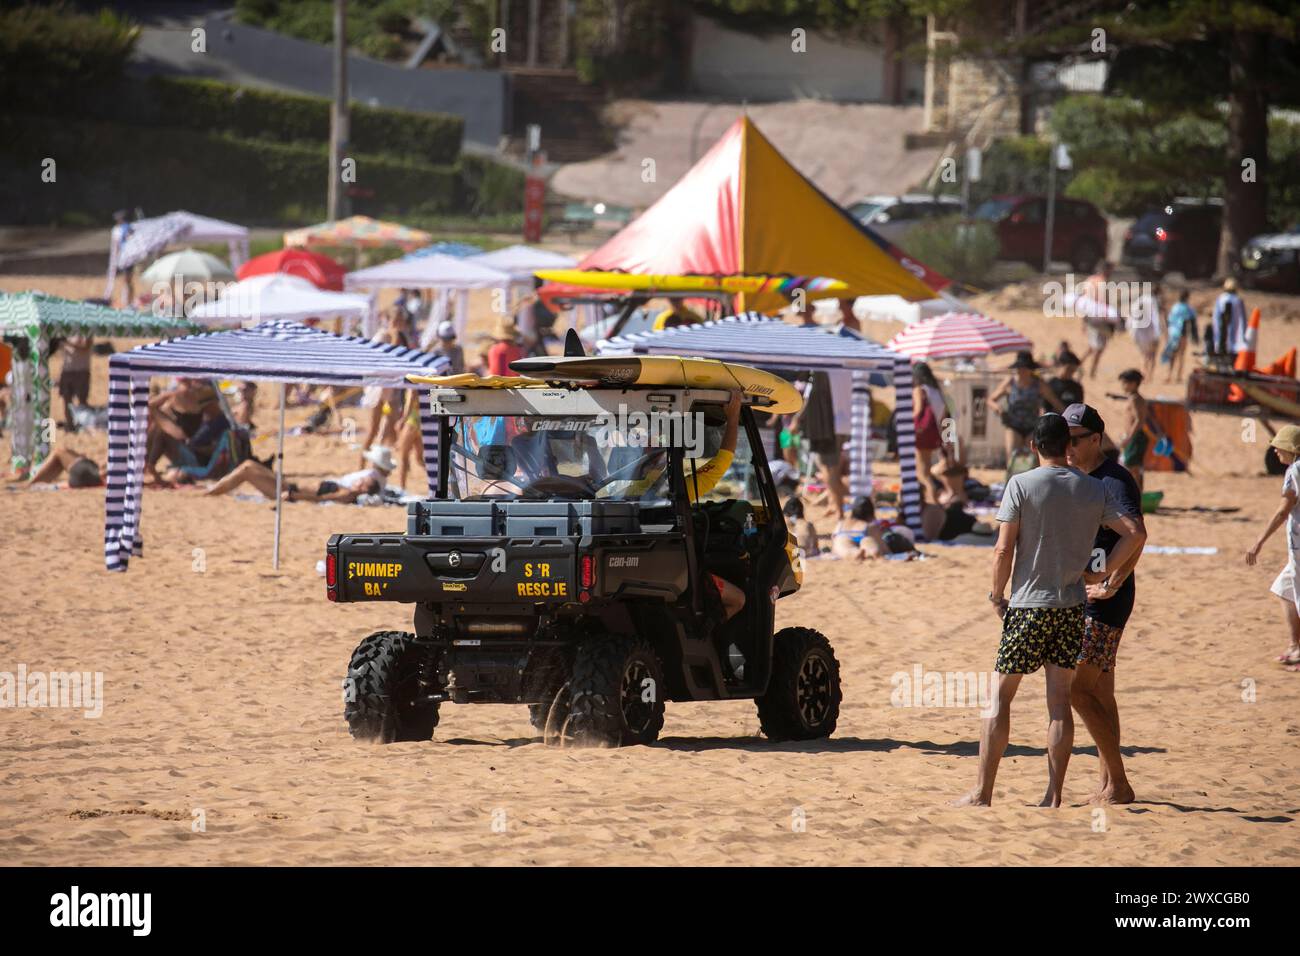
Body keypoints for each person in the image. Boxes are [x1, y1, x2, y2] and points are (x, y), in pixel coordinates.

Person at [954, 413, 1145, 808]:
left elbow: (1003, 549)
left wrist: (996, 595)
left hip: (1028, 605)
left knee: (999, 699)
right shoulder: (1092, 489)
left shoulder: (1021, 484)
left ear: (1032, 446)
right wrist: (1104, 571)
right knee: (1059, 704)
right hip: (1072, 607)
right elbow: (1134, 533)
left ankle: (982, 793)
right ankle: (1053, 795)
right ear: (1067, 445)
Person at [1063, 403, 1146, 804]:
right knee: (1101, 692)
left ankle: (1120, 782)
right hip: (1092, 597)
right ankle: (1110, 784)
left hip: (1104, 601)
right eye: (1064, 439)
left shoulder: (1112, 480)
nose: (1068, 446)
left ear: (1096, 439)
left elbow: (1136, 534)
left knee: (1076, 693)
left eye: (1076, 440)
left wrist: (1108, 580)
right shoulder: (1083, 476)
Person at [1244, 425, 1300, 672]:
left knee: (1296, 594)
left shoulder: (1294, 471)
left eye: (1279, 447)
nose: (1276, 451)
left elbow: (1282, 512)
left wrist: (1259, 541)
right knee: (1284, 589)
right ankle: (1294, 645)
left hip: (1298, 545)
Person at [207, 445, 396, 502]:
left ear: (362, 488)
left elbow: (318, 497)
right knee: (248, 465)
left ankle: (211, 493)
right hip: (289, 486)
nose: (360, 478)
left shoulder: (346, 494)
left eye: (362, 481)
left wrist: (292, 495)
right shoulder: (355, 486)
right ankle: (213, 490)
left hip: (286, 491)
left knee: (247, 469)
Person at [991, 351, 1065, 460]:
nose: (1021, 371)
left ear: (1031, 369)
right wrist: (998, 408)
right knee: (1012, 458)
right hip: (1013, 425)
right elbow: (991, 399)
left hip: (1032, 427)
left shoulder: (1039, 385)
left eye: (1025, 368)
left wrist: (1065, 416)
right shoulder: (1010, 383)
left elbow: (1056, 403)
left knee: (1032, 460)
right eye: (1019, 368)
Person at [1116, 368, 1164, 492]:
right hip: (1134, 436)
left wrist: (1129, 438)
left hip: (1136, 437)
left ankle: (1136, 498)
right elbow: (1148, 417)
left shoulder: (1135, 399)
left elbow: (1139, 420)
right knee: (1131, 468)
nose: (1123, 385)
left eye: (1125, 382)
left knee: (1133, 469)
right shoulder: (1136, 398)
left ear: (1133, 383)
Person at [912, 362, 952, 488]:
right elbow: (944, 417)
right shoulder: (938, 392)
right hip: (934, 434)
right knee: (927, 469)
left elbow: (917, 411)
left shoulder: (919, 390)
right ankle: (932, 496)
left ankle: (931, 497)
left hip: (922, 433)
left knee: (921, 472)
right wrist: (947, 439)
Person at [1077, 261, 1116, 379]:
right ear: (1106, 270)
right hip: (1100, 319)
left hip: (1089, 316)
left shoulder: (1089, 280)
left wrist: (1083, 320)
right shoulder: (1104, 283)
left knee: (1092, 346)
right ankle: (1091, 373)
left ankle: (1078, 366)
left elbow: (1083, 301)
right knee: (1098, 347)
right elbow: (1105, 303)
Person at [1161, 288, 1199, 383]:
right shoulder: (1188, 308)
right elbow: (1192, 323)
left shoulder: (1175, 307)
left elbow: (1169, 321)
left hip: (1172, 334)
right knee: (1181, 355)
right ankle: (1178, 376)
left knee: (1172, 355)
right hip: (1182, 334)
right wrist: (1195, 337)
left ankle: (1168, 375)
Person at [57, 334, 93, 431]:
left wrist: (67, 342)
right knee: (67, 400)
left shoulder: (86, 331)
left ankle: (83, 424)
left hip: (82, 370)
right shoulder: (66, 332)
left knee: (82, 401)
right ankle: (70, 425)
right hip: (67, 370)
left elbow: (86, 345)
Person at [1129, 280, 1163, 381]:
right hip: (1151, 332)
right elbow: (1156, 317)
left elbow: (1132, 314)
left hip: (1139, 332)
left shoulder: (1141, 299)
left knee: (1144, 355)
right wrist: (1158, 333)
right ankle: (1149, 376)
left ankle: (1144, 374)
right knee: (1152, 355)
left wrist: (1131, 329)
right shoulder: (1154, 301)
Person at [1210, 277, 1248, 362]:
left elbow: (1215, 318)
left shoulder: (1220, 299)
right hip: (1235, 340)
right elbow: (1243, 320)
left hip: (1221, 339)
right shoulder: (1238, 300)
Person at [25, 447, 103, 487]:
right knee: (65, 451)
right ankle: (35, 483)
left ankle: (31, 484)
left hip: (87, 475)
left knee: (59, 452)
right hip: (89, 473)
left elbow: (103, 472)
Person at [1047, 344, 1085, 409]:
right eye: (1069, 369)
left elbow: (1078, 410)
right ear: (1061, 365)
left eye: (1073, 371)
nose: (1071, 373)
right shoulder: (1049, 384)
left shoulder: (1077, 388)